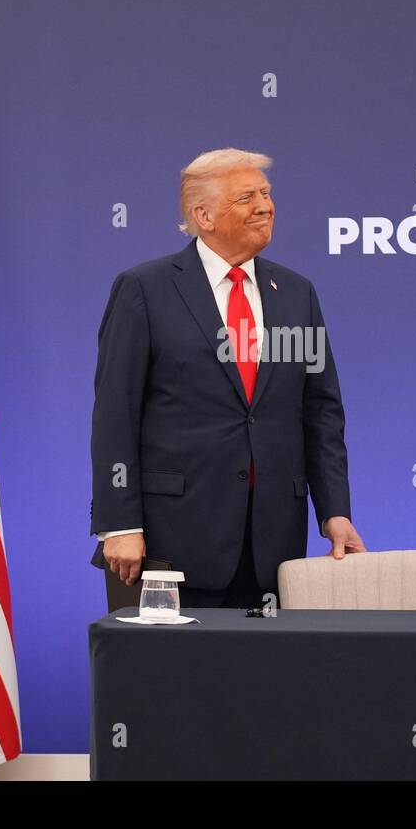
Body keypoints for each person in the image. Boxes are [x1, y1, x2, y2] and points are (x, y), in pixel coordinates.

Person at [90, 148, 364, 609]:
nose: (264, 205)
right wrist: (119, 523)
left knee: (263, 681)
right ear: (204, 215)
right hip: (168, 542)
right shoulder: (145, 289)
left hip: (273, 545)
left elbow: (320, 410)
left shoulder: (297, 294)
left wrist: (334, 510)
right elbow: (116, 412)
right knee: (170, 682)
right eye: (246, 197)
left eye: (266, 193)